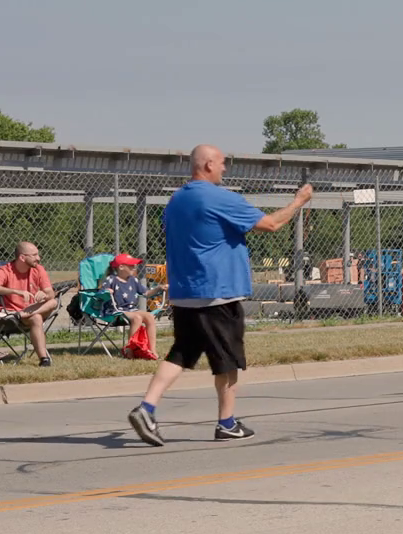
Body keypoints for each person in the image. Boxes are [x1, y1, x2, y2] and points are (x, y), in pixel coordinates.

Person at [127, 145, 313, 445]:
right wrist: (299, 201)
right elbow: (271, 224)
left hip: (185, 293)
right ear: (209, 164)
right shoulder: (219, 198)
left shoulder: (177, 200)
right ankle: (226, 423)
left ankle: (147, 408)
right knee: (227, 361)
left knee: (181, 353)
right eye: (223, 163)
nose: (225, 168)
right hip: (218, 294)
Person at [0, 241, 65, 366]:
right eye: (34, 255)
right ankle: (44, 359)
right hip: (10, 314)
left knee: (53, 301)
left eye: (38, 254)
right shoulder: (6, 270)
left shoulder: (38, 269)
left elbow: (50, 292)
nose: (38, 258)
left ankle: (23, 314)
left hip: (29, 310)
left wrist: (45, 294)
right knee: (36, 318)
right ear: (22, 257)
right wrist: (15, 291)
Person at [101, 253, 162, 359]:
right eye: (131, 265)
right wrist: (107, 291)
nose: (134, 267)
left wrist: (158, 288)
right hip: (115, 310)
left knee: (150, 316)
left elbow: (146, 293)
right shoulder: (111, 279)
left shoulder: (133, 280)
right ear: (121, 267)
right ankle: (130, 350)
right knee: (137, 318)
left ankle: (152, 350)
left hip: (131, 309)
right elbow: (101, 293)